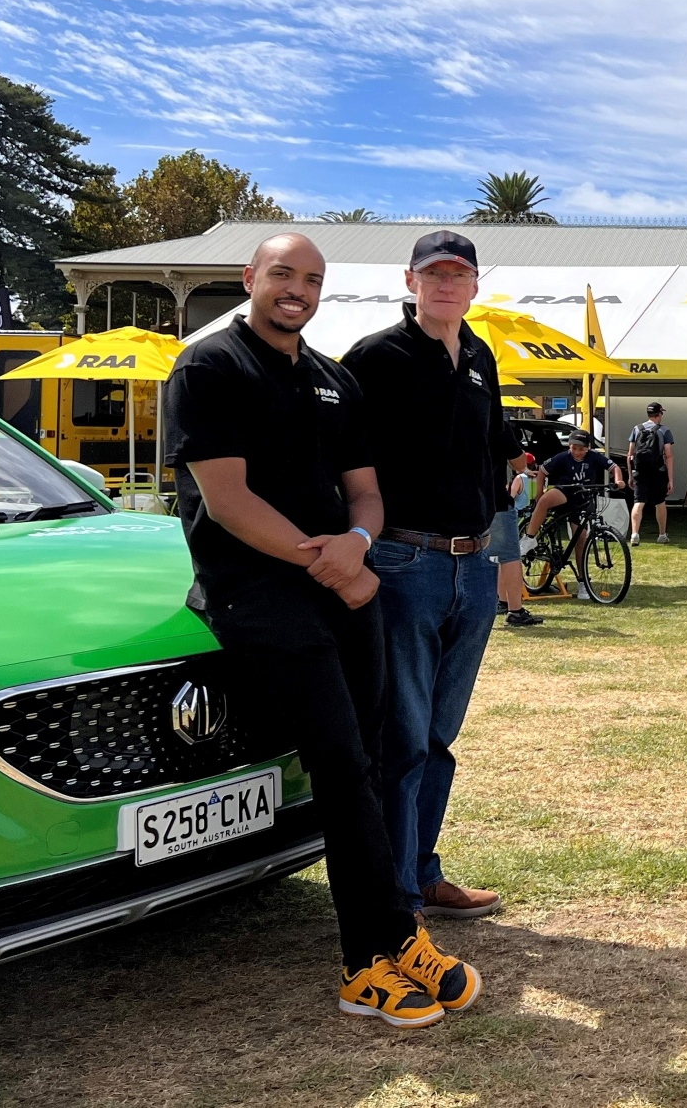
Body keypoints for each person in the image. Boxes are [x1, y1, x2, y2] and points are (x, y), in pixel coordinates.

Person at [163, 232, 478, 1029]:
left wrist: (359, 546)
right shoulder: (208, 367)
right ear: (250, 278)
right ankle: (362, 964)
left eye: (310, 278)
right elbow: (227, 501)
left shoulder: (334, 381)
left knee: (370, 764)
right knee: (340, 762)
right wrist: (328, 559)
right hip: (261, 595)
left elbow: (364, 492)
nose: (295, 288)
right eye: (281, 274)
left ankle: (396, 938)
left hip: (344, 586)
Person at [342, 230, 514, 924]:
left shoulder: (479, 356)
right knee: (402, 740)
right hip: (404, 561)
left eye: (459, 274)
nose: (447, 284)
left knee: (439, 736)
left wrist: (504, 562)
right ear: (409, 281)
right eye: (433, 273)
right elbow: (342, 462)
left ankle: (423, 870)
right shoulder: (374, 358)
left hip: (472, 567)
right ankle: (397, 900)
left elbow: (492, 467)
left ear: (477, 286)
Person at [527, 431, 622, 590]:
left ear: (588, 448)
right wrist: (538, 492)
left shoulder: (594, 457)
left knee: (581, 540)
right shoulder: (563, 457)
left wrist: (618, 480)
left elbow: (614, 467)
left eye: (581, 449)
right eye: (574, 448)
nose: (577, 452)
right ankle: (529, 537)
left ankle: (582, 581)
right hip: (565, 492)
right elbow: (543, 471)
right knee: (544, 500)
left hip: (582, 499)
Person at [498, 448, 540, 628]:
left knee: (504, 557)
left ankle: (504, 601)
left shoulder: (518, 479)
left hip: (513, 513)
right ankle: (514, 607)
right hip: (528, 515)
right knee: (509, 555)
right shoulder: (533, 479)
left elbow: (512, 496)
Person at [627, 402, 676, 544]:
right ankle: (662, 535)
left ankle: (635, 534)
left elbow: (630, 455)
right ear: (660, 414)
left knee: (638, 502)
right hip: (658, 472)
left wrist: (631, 475)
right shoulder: (664, 431)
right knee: (660, 502)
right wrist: (670, 479)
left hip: (640, 472)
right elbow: (669, 456)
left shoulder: (637, 429)